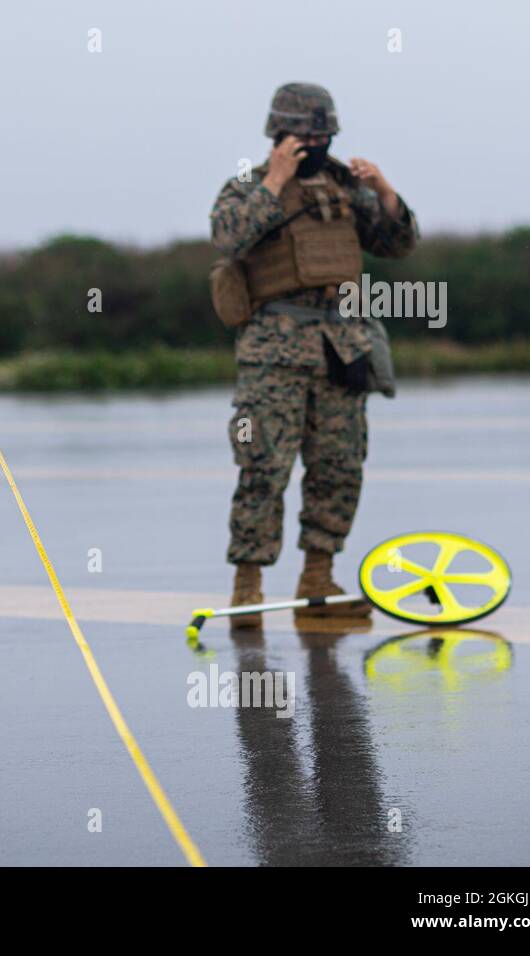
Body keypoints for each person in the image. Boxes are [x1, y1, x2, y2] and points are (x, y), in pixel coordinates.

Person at [209, 83, 419, 627]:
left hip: (342, 346)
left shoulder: (344, 190)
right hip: (274, 352)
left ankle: (318, 580)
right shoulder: (248, 188)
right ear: (279, 136)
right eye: (305, 135)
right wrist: (275, 182)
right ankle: (247, 589)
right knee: (263, 468)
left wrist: (386, 193)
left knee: (339, 467)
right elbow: (227, 238)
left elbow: (397, 243)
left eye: (324, 135)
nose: (317, 143)